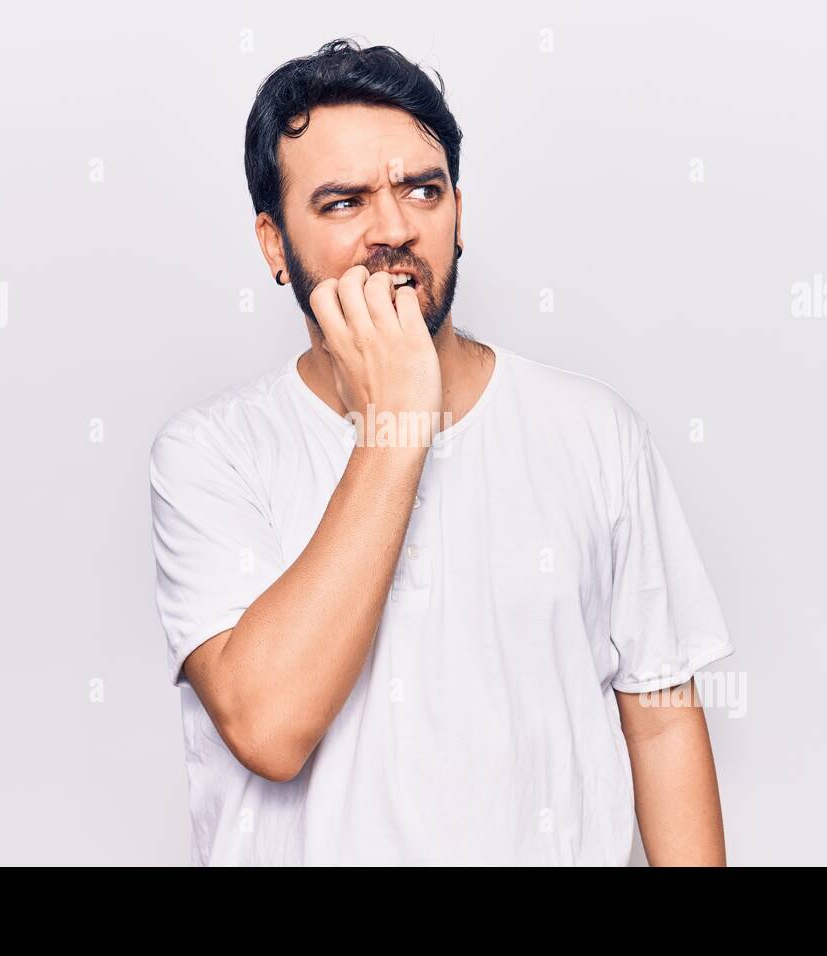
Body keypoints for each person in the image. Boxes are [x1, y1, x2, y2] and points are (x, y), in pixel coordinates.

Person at [149, 37, 736, 866]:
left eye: (422, 190)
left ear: (457, 213)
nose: (394, 228)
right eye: (343, 202)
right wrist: (398, 425)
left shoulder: (593, 429)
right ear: (274, 244)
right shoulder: (210, 456)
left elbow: (663, 715)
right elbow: (270, 727)